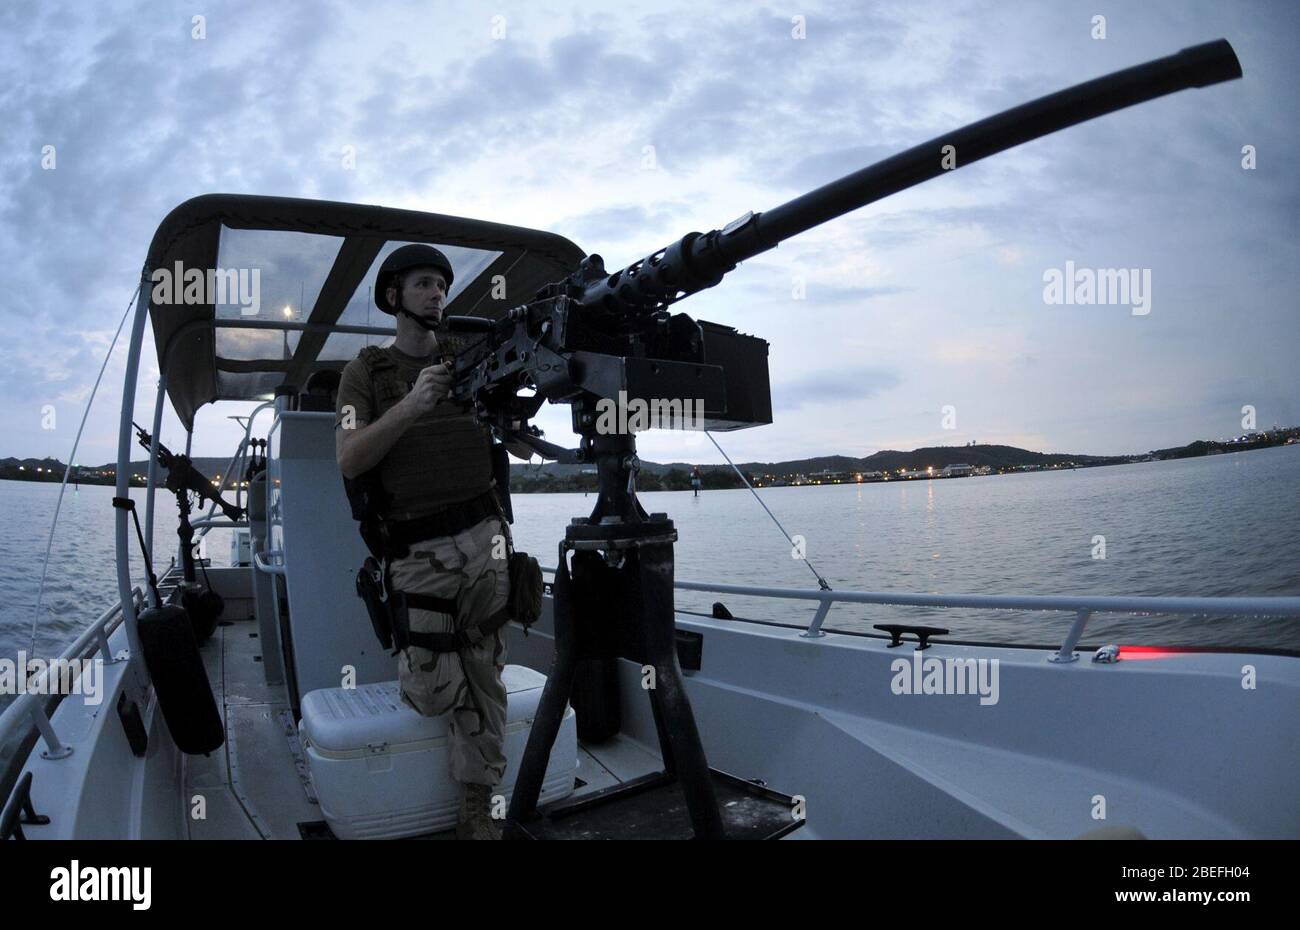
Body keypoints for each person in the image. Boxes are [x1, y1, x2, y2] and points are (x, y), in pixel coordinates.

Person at [334, 244, 525, 840]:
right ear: (394, 297)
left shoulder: (468, 360)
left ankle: (477, 808)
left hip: (485, 540)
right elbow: (348, 456)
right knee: (432, 689)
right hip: (418, 555)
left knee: (486, 672)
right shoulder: (364, 373)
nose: (437, 293)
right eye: (422, 283)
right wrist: (414, 403)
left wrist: (515, 428)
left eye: (441, 285)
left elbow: (509, 444)